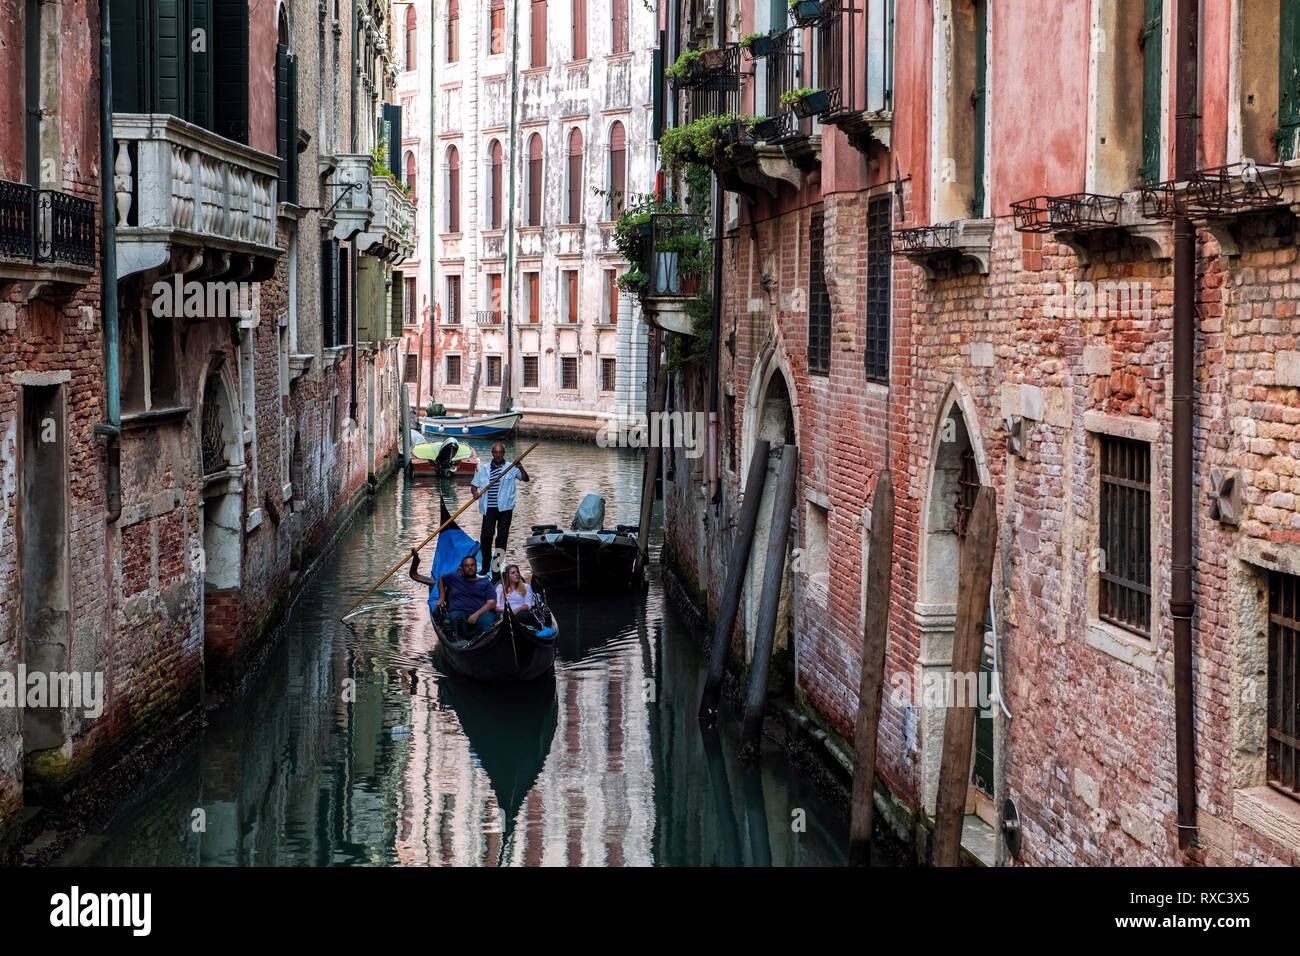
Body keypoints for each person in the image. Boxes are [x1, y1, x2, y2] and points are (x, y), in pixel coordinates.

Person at [409, 550, 497, 639]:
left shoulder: (485, 583)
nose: (470, 568)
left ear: (476, 566)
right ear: (462, 569)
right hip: (459, 613)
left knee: (489, 621)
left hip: (480, 613)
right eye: (467, 566)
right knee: (454, 619)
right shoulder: (455, 577)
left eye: (472, 565)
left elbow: (492, 602)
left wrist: (476, 614)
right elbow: (441, 580)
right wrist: (441, 599)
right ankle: (459, 638)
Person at [471, 442, 530, 574]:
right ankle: (486, 567)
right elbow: (474, 486)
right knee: (486, 537)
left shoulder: (511, 467)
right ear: (492, 453)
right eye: (496, 452)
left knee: (502, 538)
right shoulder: (484, 469)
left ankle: (496, 567)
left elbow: (526, 479)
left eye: (500, 452)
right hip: (489, 508)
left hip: (505, 508)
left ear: (504, 453)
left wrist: (520, 468)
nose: (498, 455)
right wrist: (475, 493)